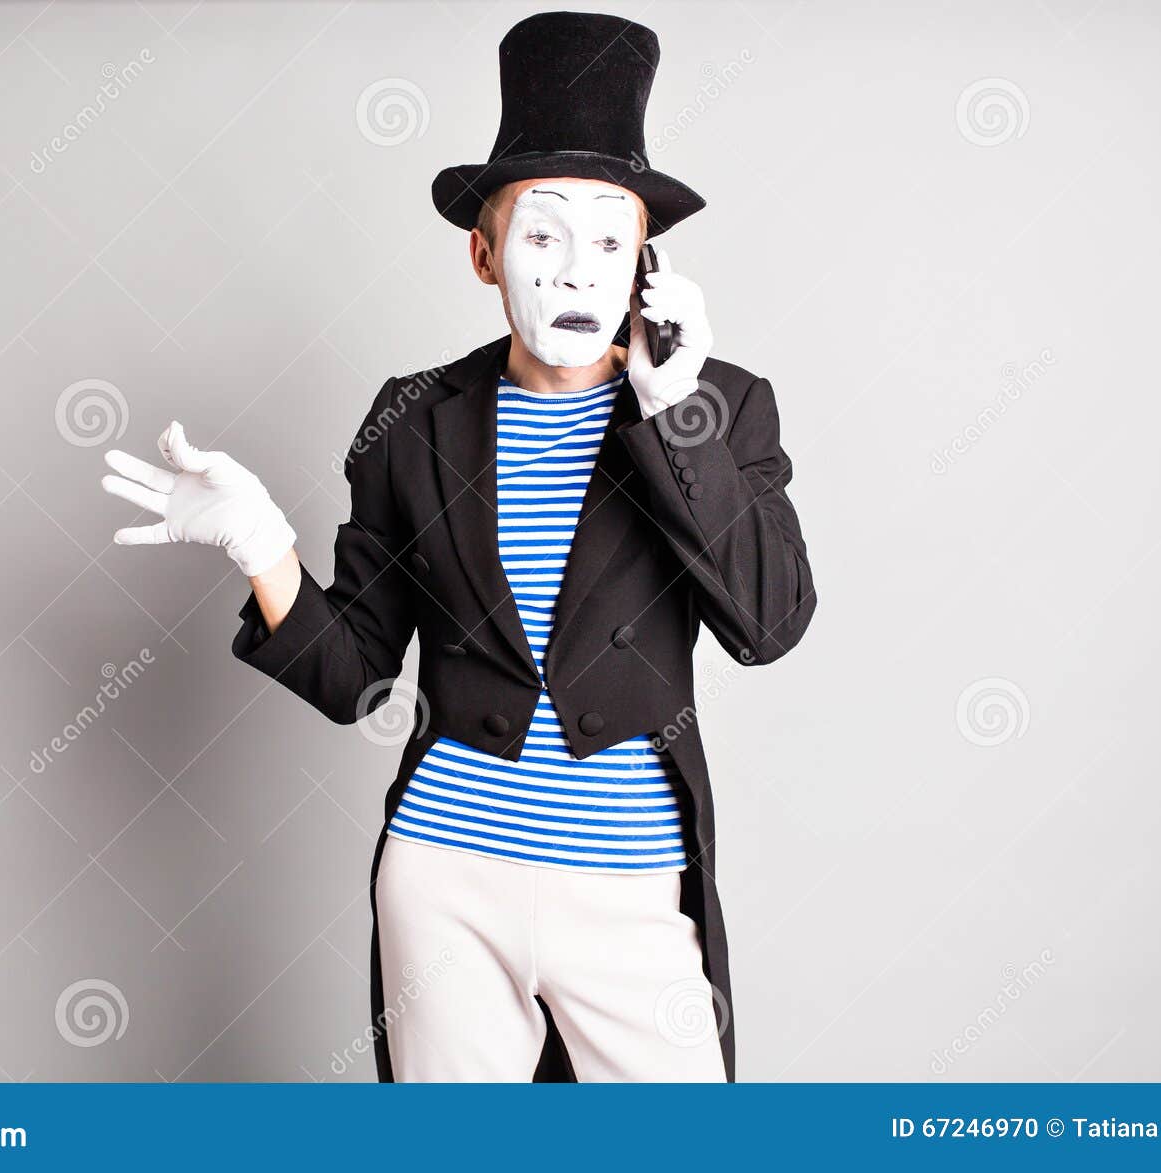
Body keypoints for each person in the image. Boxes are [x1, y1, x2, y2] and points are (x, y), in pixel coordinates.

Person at [100, 10, 816, 1082]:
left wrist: (675, 413)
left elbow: (768, 625)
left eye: (608, 242)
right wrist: (262, 545)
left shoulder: (719, 407)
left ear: (644, 268)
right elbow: (354, 678)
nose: (576, 272)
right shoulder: (414, 421)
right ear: (484, 255)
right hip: (446, 877)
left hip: (629, 881)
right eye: (541, 236)